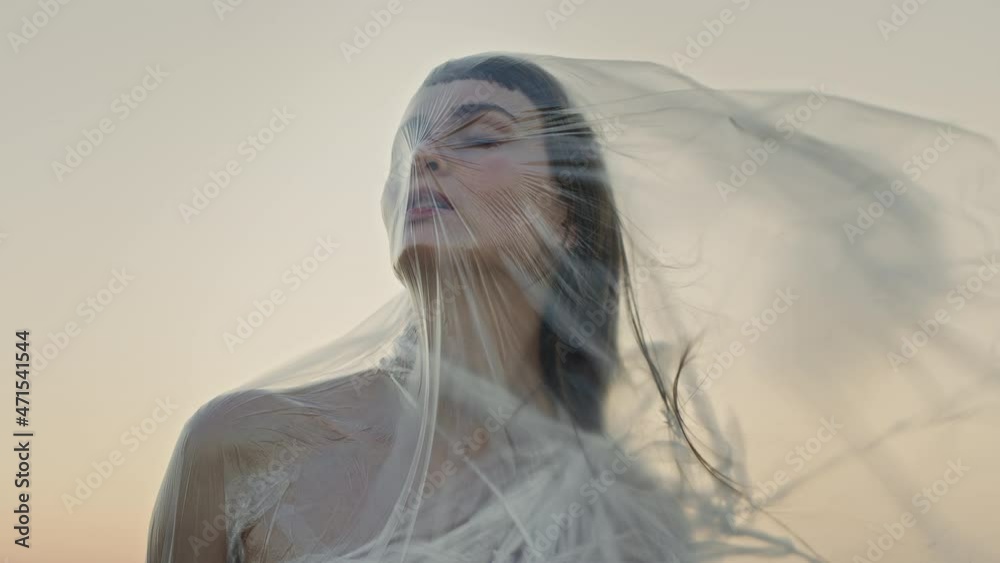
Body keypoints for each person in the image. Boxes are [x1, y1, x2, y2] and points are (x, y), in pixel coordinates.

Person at [148, 53, 1000, 562]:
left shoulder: (626, 517)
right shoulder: (244, 446)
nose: (427, 160)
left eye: (478, 136)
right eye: (411, 144)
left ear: (567, 212)